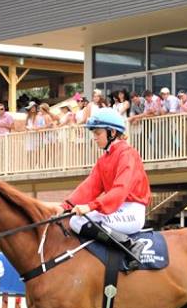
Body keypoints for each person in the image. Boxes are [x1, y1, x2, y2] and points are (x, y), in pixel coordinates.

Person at [55, 109, 151, 268]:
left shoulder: (128, 154)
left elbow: (120, 189)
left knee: (77, 222)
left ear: (112, 132)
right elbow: (89, 187)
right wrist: (65, 206)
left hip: (131, 211)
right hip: (116, 209)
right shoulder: (104, 159)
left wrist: (91, 206)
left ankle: (130, 246)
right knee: (72, 220)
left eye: (98, 133)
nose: (94, 137)